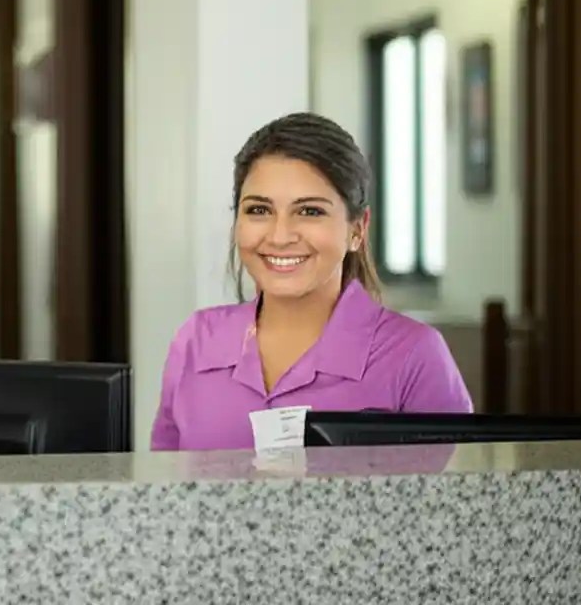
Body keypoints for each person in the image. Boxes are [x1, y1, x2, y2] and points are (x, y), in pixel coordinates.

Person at [150, 112, 472, 451]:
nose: (280, 236)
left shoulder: (414, 355)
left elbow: (459, 484)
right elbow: (162, 480)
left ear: (357, 229)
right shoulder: (195, 341)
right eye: (259, 210)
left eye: (310, 211)